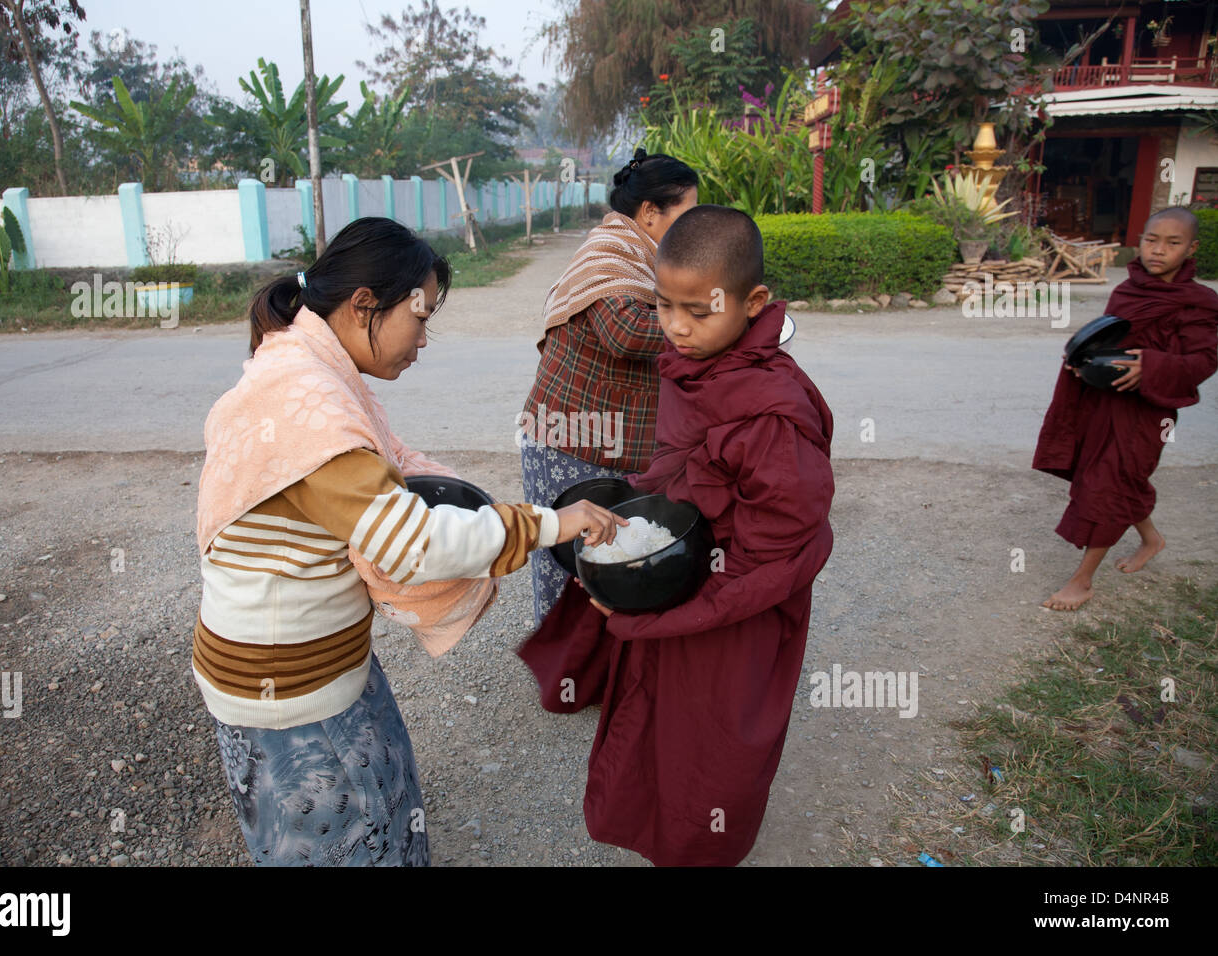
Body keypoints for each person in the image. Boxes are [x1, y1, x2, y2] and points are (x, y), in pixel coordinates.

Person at [194, 217, 625, 866]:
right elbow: (413, 540)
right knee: (359, 841)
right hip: (289, 690)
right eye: (419, 317)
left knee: (380, 804)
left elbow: (398, 468)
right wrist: (554, 525)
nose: (425, 340)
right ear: (365, 304)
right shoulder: (301, 395)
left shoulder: (304, 364)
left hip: (302, 667)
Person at [518, 205, 835, 866]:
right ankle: (666, 831)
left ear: (753, 302)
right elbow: (677, 465)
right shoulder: (693, 365)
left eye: (699, 310)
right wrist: (635, 530)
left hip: (730, 611)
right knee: (661, 724)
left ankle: (703, 844)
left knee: (714, 743)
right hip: (680, 579)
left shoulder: (771, 412)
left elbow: (777, 552)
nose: (677, 330)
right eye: (664, 307)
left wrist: (668, 613)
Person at [519, 147, 698, 624]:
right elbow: (626, 331)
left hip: (601, 441)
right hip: (569, 444)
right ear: (649, 212)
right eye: (687, 214)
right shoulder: (610, 252)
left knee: (614, 557)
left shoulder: (643, 257)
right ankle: (566, 679)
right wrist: (708, 325)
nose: (692, 228)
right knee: (570, 562)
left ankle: (603, 673)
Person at [1034, 206, 1218, 611]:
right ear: (1140, 241)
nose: (1158, 251)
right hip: (1107, 401)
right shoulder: (1127, 291)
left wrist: (1151, 367)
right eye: (1152, 240)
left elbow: (1204, 361)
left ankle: (1082, 581)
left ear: (1191, 249)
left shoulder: (1198, 302)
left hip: (1149, 410)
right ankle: (1152, 540)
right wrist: (1083, 363)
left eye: (1173, 243)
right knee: (1116, 479)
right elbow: (1107, 339)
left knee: (1110, 485)